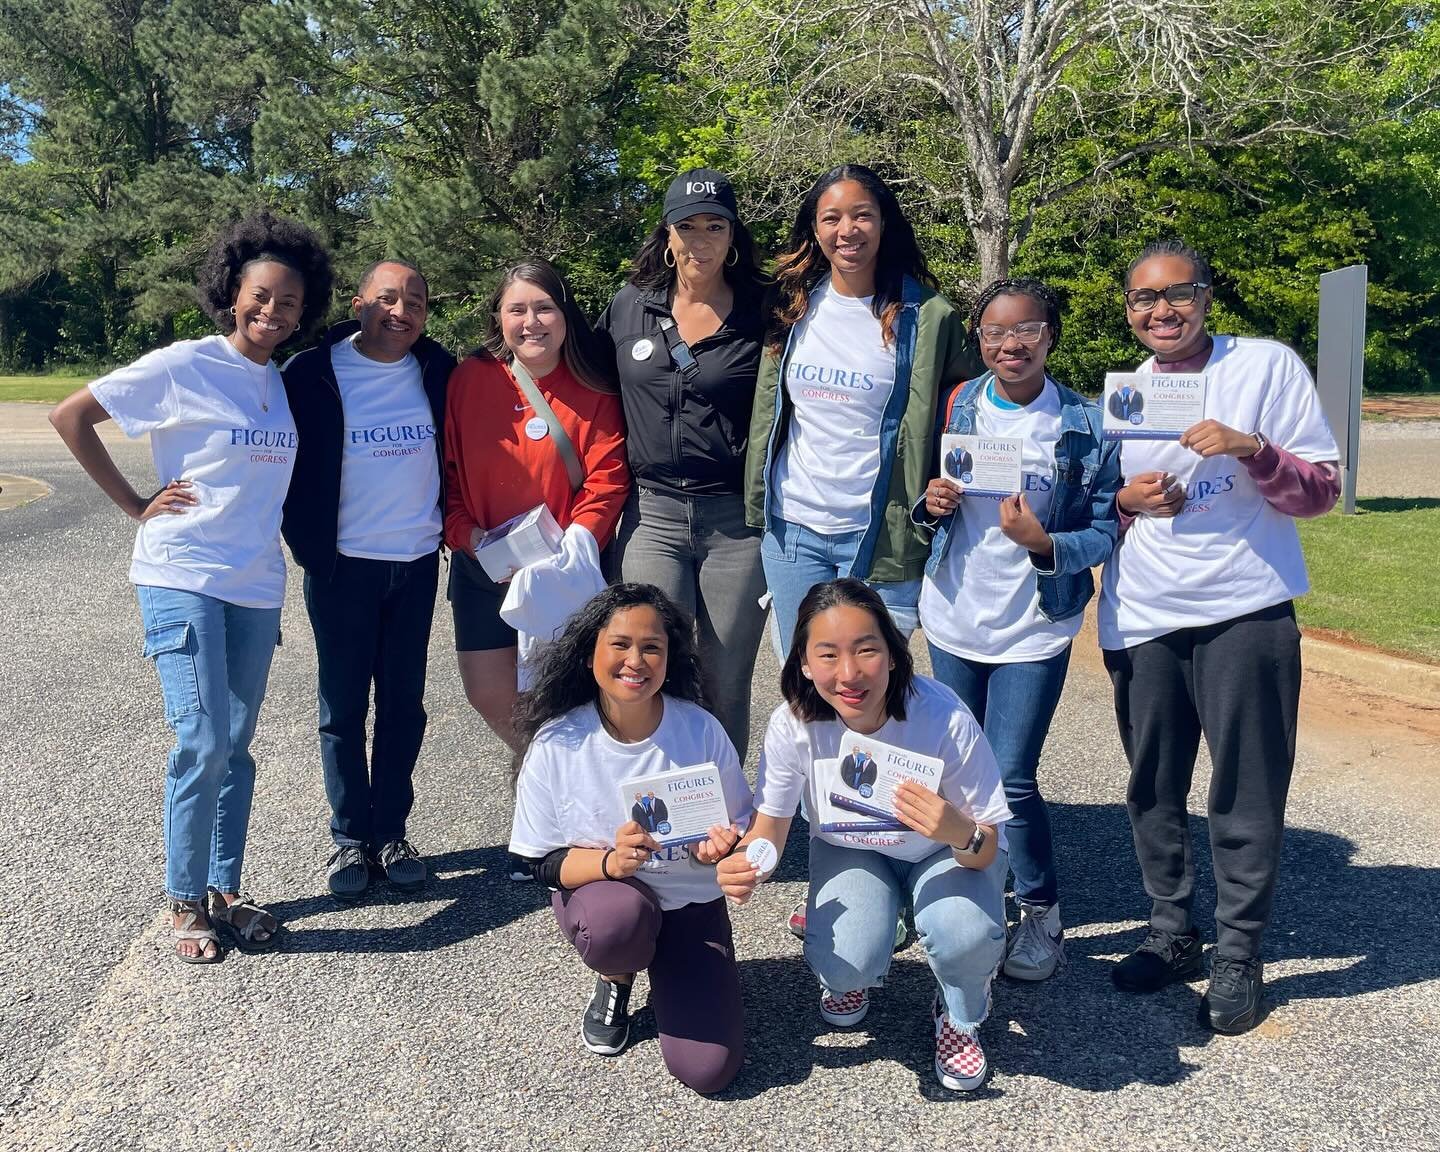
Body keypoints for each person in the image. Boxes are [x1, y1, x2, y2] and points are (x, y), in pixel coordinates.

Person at [48, 211, 333, 963]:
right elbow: (71, 415)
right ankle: (183, 898)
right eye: (261, 296)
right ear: (232, 291)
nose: (273, 312)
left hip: (254, 582)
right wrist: (134, 503)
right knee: (201, 738)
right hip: (183, 575)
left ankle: (225, 890)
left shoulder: (278, 382)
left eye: (289, 303)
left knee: (236, 745)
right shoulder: (184, 365)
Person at [1100, 238, 1340, 1033]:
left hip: (1245, 607)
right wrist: (1131, 502)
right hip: (1144, 613)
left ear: (1207, 296)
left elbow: (1321, 493)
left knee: (1245, 789)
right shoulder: (1126, 395)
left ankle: (1239, 952)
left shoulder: (1265, 366)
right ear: (1128, 310)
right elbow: (1098, 508)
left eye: (1178, 294)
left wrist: (1253, 448)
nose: (1161, 311)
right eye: (1144, 299)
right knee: (1153, 786)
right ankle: (1173, 934)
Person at [718, 579, 1011, 1093]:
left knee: (961, 934)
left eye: (866, 650)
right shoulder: (793, 723)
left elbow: (987, 846)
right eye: (827, 654)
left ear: (894, 655)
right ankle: (861, 960)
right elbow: (770, 825)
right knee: (845, 959)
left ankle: (960, 1008)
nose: (849, 674)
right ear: (803, 663)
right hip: (850, 847)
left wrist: (957, 830)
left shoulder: (942, 715)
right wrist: (750, 864)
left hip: (946, 852)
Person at [915, 278, 1121, 982]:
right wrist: (932, 503)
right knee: (952, 775)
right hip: (952, 617)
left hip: (1035, 624)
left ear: (1049, 336)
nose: (1010, 344)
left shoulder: (1086, 426)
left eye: (1025, 330)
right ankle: (964, 900)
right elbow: (928, 502)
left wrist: (1043, 545)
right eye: (995, 333)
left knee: (1009, 778)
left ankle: (1042, 913)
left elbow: (1103, 532)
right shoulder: (959, 403)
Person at [509, 584, 752, 1094]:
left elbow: (744, 828)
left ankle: (672, 964)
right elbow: (540, 861)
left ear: (670, 657)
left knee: (707, 1071)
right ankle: (618, 976)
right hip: (612, 898)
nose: (635, 661)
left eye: (651, 647)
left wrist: (724, 849)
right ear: (590, 650)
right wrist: (609, 864)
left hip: (692, 900)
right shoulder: (559, 741)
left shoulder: (701, 730)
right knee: (617, 921)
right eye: (620, 644)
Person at [743, 164, 977, 656]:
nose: (846, 231)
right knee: (804, 683)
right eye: (831, 218)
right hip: (792, 531)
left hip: (880, 537)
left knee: (871, 691)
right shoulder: (791, 305)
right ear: (815, 229)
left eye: (861, 216)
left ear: (883, 223)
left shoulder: (929, 317)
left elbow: (972, 403)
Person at [444, 257, 629, 881]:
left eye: (543, 307)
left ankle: (558, 834)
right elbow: (448, 469)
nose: (531, 321)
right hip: (483, 566)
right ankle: (557, 796)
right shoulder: (471, 379)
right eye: (517, 309)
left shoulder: (596, 386)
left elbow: (606, 477)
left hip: (564, 572)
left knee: (561, 700)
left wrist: (578, 543)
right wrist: (465, 535)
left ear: (565, 314)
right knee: (492, 694)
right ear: (499, 317)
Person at [281, 260, 456, 901]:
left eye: (415, 299)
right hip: (342, 568)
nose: (401, 310)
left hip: (413, 566)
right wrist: (303, 544)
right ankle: (350, 837)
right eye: (388, 297)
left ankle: (391, 831)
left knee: (404, 708)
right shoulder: (310, 374)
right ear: (359, 304)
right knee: (344, 709)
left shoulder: (438, 373)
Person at [595, 169, 770, 760]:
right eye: (686, 226)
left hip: (735, 526)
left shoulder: (766, 312)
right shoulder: (629, 307)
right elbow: (584, 386)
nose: (700, 239)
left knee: (724, 681)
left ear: (733, 235)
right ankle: (654, 812)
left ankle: (721, 817)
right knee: (646, 670)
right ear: (666, 235)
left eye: (714, 226)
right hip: (653, 516)